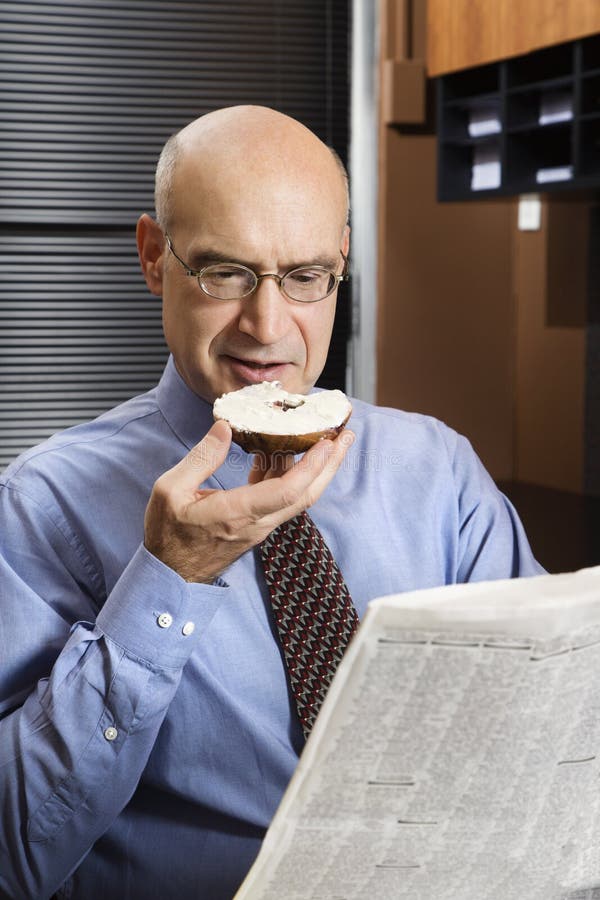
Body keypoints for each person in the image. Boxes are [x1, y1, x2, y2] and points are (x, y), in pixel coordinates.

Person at [0, 106, 543, 900]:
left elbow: (541, 725)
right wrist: (169, 578)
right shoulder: (41, 504)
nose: (266, 324)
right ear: (154, 257)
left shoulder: (440, 474)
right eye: (225, 273)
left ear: (340, 265)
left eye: (305, 276)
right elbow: (13, 854)